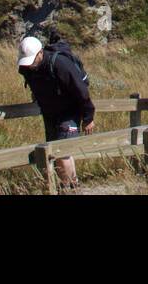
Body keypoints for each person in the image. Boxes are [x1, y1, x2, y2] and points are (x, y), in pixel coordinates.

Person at [18, 35, 95, 189]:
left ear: (40, 53)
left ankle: (67, 187)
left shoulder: (60, 64)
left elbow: (81, 91)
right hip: (50, 113)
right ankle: (73, 186)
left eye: (32, 60)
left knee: (61, 151)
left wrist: (88, 117)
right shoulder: (27, 68)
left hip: (69, 111)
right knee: (56, 151)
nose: (30, 65)